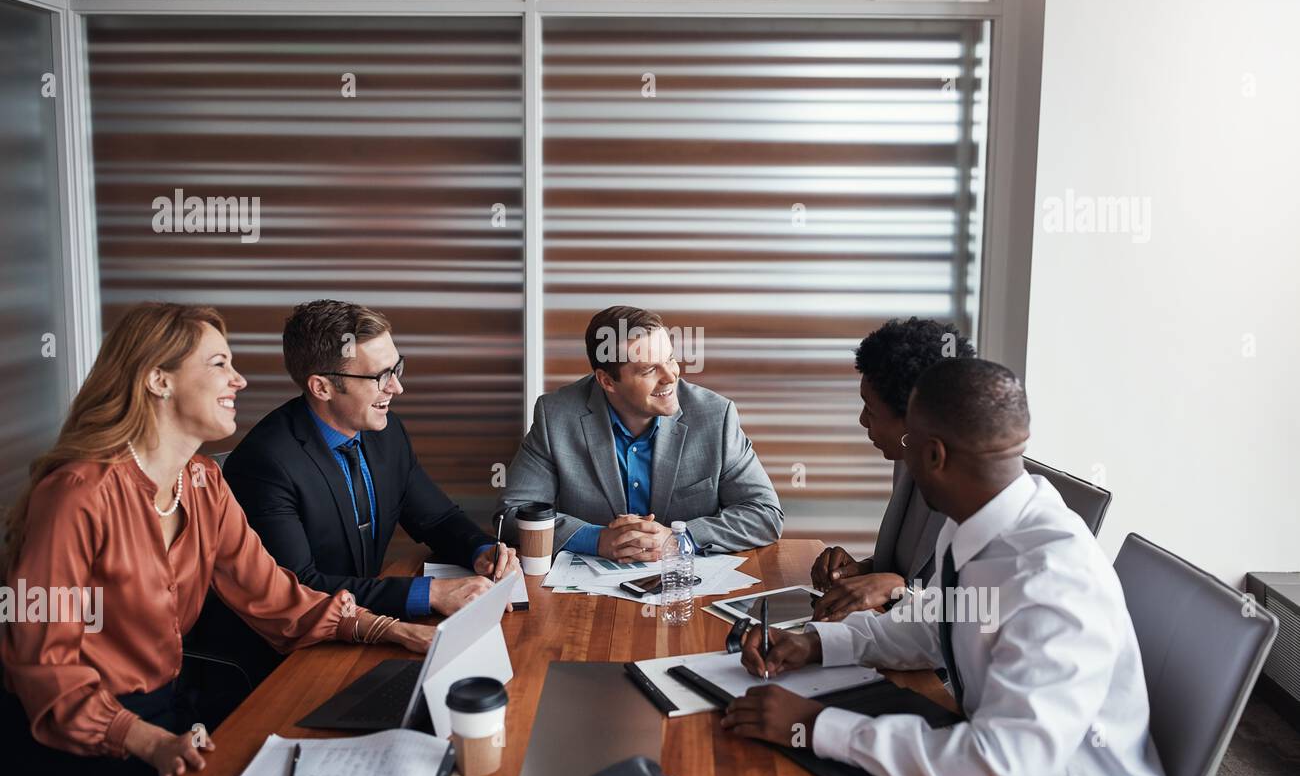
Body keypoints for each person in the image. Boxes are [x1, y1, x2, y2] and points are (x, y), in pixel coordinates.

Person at [0, 303, 433, 776]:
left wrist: (388, 629)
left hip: (161, 720)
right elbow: (42, 667)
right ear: (158, 380)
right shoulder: (75, 494)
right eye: (219, 364)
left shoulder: (204, 482)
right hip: (67, 741)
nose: (239, 380)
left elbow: (276, 598)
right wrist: (149, 741)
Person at [721, 358, 1165, 776]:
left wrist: (819, 727)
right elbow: (936, 623)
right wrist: (814, 644)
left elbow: (1000, 767)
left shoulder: (1053, 584)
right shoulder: (977, 521)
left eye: (908, 441)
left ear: (934, 456)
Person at [222, 300, 517, 623]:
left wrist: (482, 552)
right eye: (380, 376)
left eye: (396, 368)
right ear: (321, 387)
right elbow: (301, 586)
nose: (397, 387)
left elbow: (437, 519)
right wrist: (431, 593)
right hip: (289, 651)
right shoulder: (266, 464)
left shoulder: (386, 434)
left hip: (364, 624)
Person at [498, 305, 782, 560]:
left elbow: (765, 515)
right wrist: (597, 539)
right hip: (587, 600)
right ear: (607, 381)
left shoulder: (715, 417)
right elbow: (511, 516)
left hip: (685, 592)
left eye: (670, 359)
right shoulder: (556, 416)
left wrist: (679, 538)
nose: (671, 376)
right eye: (649, 370)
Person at [811, 318, 975, 621]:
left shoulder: (976, 497)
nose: (862, 421)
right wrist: (861, 571)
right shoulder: (909, 458)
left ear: (916, 421)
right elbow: (911, 569)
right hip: (892, 634)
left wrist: (897, 590)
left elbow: (976, 613)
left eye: (871, 410)